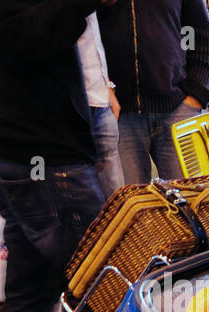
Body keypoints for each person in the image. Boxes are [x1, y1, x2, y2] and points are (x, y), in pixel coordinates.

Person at [0, 0, 110, 312]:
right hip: (42, 157)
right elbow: (22, 37)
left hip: (29, 153)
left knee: (30, 285)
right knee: (98, 283)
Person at [98, 0, 209, 185]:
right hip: (120, 115)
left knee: (188, 203)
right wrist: (103, 88)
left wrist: (196, 95)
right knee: (131, 207)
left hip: (178, 111)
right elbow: (86, 40)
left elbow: (198, 34)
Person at [78, 12, 124, 198]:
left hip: (100, 99)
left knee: (118, 202)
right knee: (80, 198)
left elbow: (92, 43)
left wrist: (107, 87)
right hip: (70, 106)